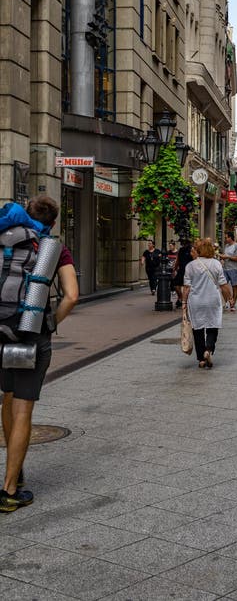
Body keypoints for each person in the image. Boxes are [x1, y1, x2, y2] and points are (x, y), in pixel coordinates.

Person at [0, 195, 79, 513]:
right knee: (23, 409)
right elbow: (71, 296)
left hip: (1, 332)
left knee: (7, 398)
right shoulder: (52, 248)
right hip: (31, 336)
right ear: (53, 222)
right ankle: (9, 489)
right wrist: (50, 323)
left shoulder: (5, 239)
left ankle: (15, 471)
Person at [182, 238, 231, 369]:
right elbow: (223, 284)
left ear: (198, 250)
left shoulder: (190, 266)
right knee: (213, 325)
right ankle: (208, 350)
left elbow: (186, 287)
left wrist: (184, 302)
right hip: (212, 300)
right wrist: (229, 298)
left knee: (197, 328)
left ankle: (201, 359)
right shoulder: (216, 264)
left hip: (196, 301)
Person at [220, 231, 237, 311]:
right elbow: (225, 256)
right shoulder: (226, 246)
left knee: (234, 286)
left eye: (226, 237)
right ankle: (226, 302)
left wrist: (227, 257)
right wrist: (222, 258)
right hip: (225, 268)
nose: (225, 239)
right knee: (223, 286)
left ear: (230, 238)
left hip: (234, 269)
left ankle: (233, 304)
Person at [172, 240, 193, 309]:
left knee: (187, 286)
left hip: (190, 271)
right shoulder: (181, 250)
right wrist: (175, 269)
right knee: (176, 284)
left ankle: (184, 300)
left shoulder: (192, 250)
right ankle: (181, 298)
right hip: (182, 270)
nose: (184, 245)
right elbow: (177, 260)